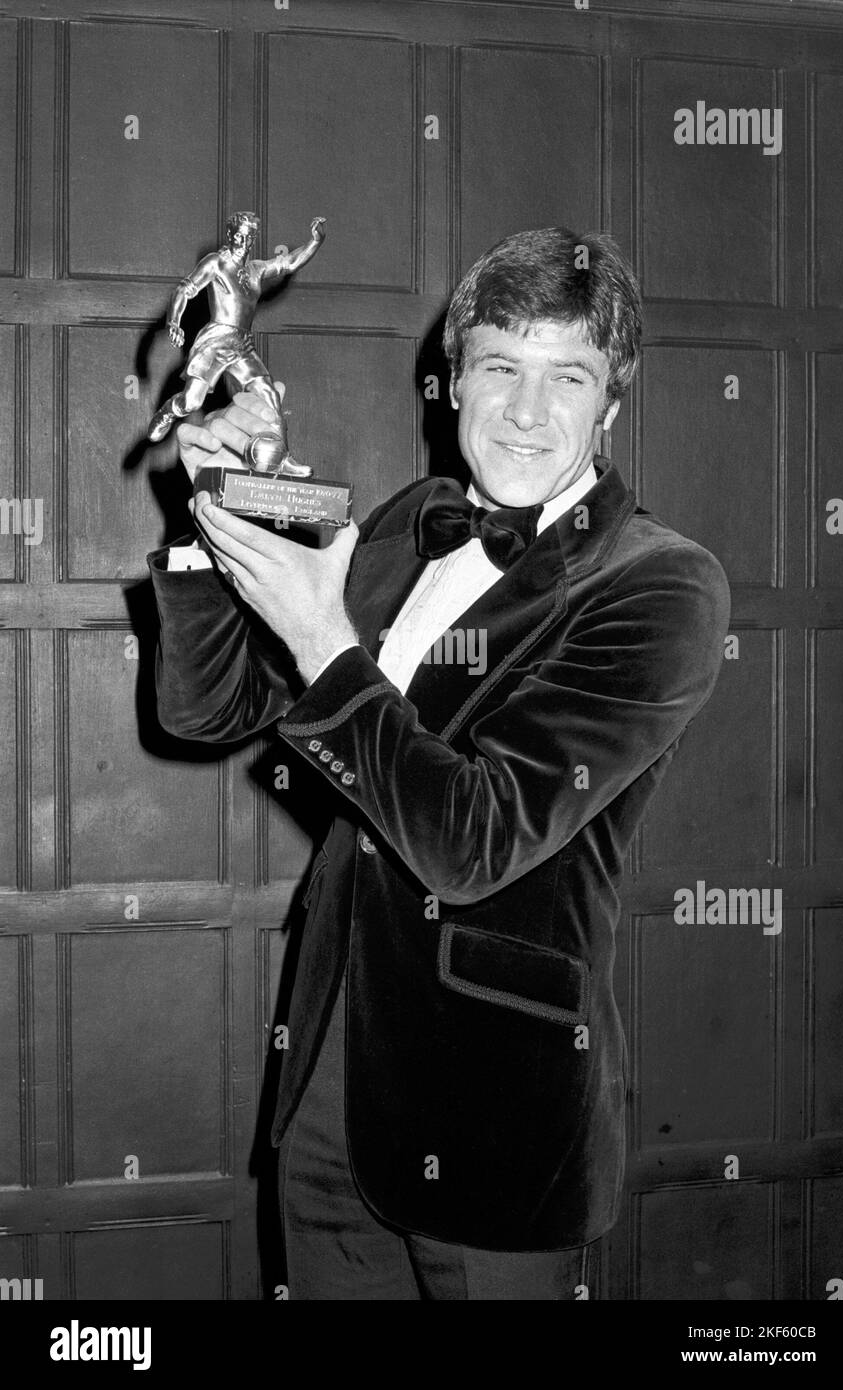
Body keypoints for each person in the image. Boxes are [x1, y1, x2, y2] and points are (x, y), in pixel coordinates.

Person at [146, 227, 730, 1300]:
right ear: (453, 379)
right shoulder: (417, 523)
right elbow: (210, 709)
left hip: (496, 1116)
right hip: (327, 1082)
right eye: (500, 366)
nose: (523, 409)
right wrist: (213, 509)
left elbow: (471, 841)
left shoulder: (660, 586)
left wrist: (327, 641)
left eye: (567, 378)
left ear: (607, 406)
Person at [146, 209, 325, 477]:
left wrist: (315, 242)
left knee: (269, 395)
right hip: (216, 340)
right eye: (239, 236)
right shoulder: (216, 262)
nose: (243, 242)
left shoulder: (255, 270)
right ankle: (169, 411)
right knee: (192, 403)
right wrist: (173, 322)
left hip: (242, 344)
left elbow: (288, 263)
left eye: (249, 237)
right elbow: (185, 289)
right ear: (230, 235)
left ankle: (281, 457)